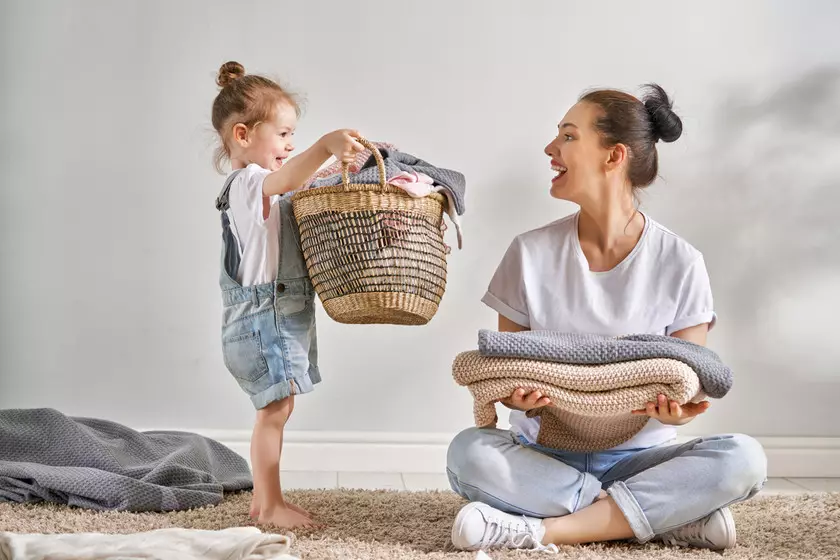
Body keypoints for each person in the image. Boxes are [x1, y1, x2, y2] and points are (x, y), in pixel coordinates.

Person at [446, 84, 767, 552]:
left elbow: (689, 378)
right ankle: (659, 518)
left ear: (613, 156)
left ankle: (542, 529)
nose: (550, 149)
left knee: (744, 458)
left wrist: (681, 409)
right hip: (545, 456)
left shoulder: (680, 261)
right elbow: (507, 369)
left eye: (569, 136)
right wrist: (519, 400)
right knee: (467, 452)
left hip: (643, 458)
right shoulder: (529, 253)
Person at [210, 61, 364, 528]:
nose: (291, 144)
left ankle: (264, 500)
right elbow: (290, 178)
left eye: (294, 135)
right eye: (282, 134)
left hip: (275, 315)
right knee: (274, 411)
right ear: (243, 135)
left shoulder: (263, 191)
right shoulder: (247, 184)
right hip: (262, 320)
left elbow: (295, 187)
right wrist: (324, 146)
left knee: (278, 408)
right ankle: (271, 504)